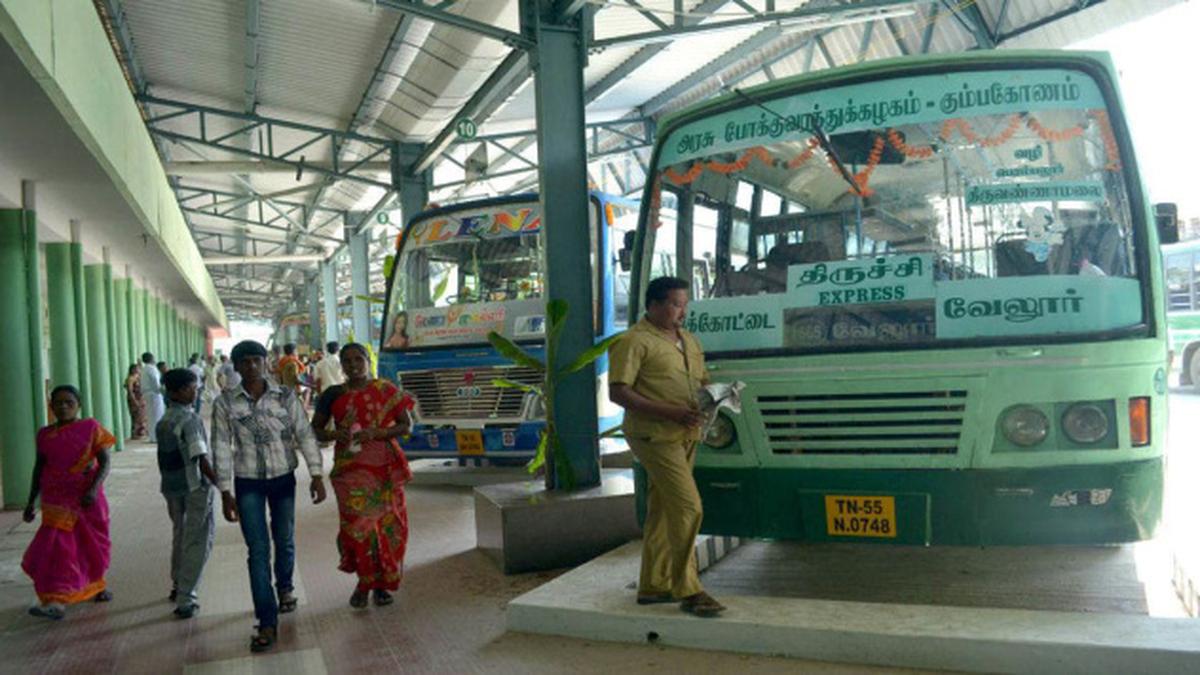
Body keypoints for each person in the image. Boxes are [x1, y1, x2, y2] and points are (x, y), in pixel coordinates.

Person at [607, 276, 725, 618]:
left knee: (662, 507)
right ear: (654, 305)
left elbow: (700, 381)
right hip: (653, 436)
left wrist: (716, 394)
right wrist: (671, 412)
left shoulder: (688, 340)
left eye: (685, 304)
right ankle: (688, 589)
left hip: (686, 435)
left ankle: (654, 585)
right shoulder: (633, 341)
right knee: (689, 507)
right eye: (675, 304)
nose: (682, 311)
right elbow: (619, 392)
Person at [211, 340, 326, 653]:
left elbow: (304, 434)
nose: (251, 366)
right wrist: (224, 491)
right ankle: (266, 620)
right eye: (244, 362)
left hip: (283, 479)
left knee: (284, 538)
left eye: (256, 360)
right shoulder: (224, 404)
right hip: (247, 482)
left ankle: (285, 588)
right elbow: (220, 447)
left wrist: (316, 474)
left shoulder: (286, 396)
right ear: (235, 366)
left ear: (266, 362)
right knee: (257, 549)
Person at [310, 343, 414, 609]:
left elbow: (406, 425)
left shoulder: (386, 390)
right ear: (341, 365)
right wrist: (336, 434)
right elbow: (316, 430)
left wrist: (376, 433)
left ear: (369, 360)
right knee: (358, 529)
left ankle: (379, 586)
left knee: (389, 527)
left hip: (385, 471)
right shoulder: (332, 395)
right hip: (351, 472)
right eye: (347, 361)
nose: (353, 365)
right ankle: (364, 581)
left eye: (359, 359)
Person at [21, 385, 117, 619]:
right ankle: (57, 599)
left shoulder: (90, 428)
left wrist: (93, 489)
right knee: (57, 549)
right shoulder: (45, 435)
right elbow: (39, 467)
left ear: (78, 405)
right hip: (56, 500)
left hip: (86, 499)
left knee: (90, 546)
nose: (63, 407)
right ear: (51, 406)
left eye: (69, 403)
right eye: (58, 403)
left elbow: (104, 462)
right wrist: (31, 500)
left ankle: (95, 585)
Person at [157, 368, 218, 619]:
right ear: (176, 392)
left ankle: (177, 583)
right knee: (198, 539)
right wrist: (221, 486)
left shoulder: (164, 421)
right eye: (191, 388)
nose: (196, 391)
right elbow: (200, 457)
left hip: (172, 487)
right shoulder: (190, 421)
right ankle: (186, 596)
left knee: (180, 535)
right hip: (195, 487)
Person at [141, 352, 165, 443]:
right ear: (152, 359)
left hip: (147, 394)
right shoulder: (152, 369)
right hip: (154, 394)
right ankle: (156, 437)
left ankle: (152, 436)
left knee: (151, 416)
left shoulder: (144, 369)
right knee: (157, 415)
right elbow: (155, 382)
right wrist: (161, 390)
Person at [124, 364, 147, 439]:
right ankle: (136, 434)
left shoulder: (138, 377)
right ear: (133, 370)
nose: (138, 370)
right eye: (136, 369)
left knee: (142, 415)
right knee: (136, 416)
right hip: (134, 399)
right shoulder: (130, 379)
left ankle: (141, 432)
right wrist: (134, 401)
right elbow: (130, 391)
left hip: (141, 399)